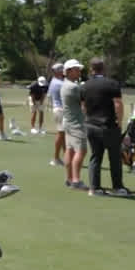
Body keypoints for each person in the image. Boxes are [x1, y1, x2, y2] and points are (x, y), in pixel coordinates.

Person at [82, 58, 131, 197]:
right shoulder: (112, 84)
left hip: (91, 124)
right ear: (104, 69)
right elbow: (118, 104)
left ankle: (94, 188)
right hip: (108, 125)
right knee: (115, 157)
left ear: (91, 70)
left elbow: (83, 106)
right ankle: (117, 187)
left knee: (95, 157)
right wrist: (119, 121)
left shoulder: (85, 85)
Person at [60, 59, 88, 189]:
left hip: (68, 121)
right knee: (81, 150)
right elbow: (84, 103)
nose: (79, 72)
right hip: (76, 122)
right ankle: (76, 180)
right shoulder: (73, 87)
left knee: (70, 150)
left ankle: (69, 178)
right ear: (69, 71)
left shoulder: (66, 84)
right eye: (76, 69)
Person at [46, 62, 65, 166]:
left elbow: (49, 95)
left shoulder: (54, 81)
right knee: (61, 134)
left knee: (63, 135)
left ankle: (65, 157)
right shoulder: (59, 83)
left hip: (58, 109)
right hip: (60, 110)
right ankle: (56, 158)